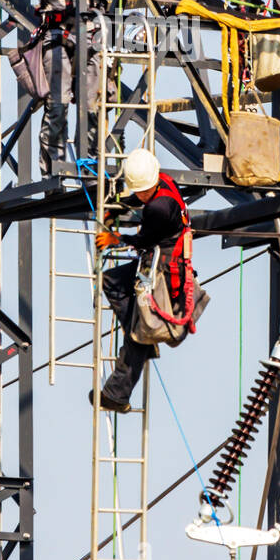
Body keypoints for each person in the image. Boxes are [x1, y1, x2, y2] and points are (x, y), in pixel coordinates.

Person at [8, 0, 115, 176]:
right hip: (57, 36)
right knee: (57, 107)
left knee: (94, 107)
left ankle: (92, 168)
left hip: (92, 34)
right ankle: (53, 170)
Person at [91, 149, 206, 413]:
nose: (140, 196)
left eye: (141, 192)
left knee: (135, 330)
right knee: (117, 291)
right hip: (162, 264)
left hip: (164, 271)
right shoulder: (163, 182)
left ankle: (117, 392)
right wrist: (119, 206)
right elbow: (140, 198)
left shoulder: (158, 207)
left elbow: (144, 240)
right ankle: (140, 336)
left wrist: (116, 238)